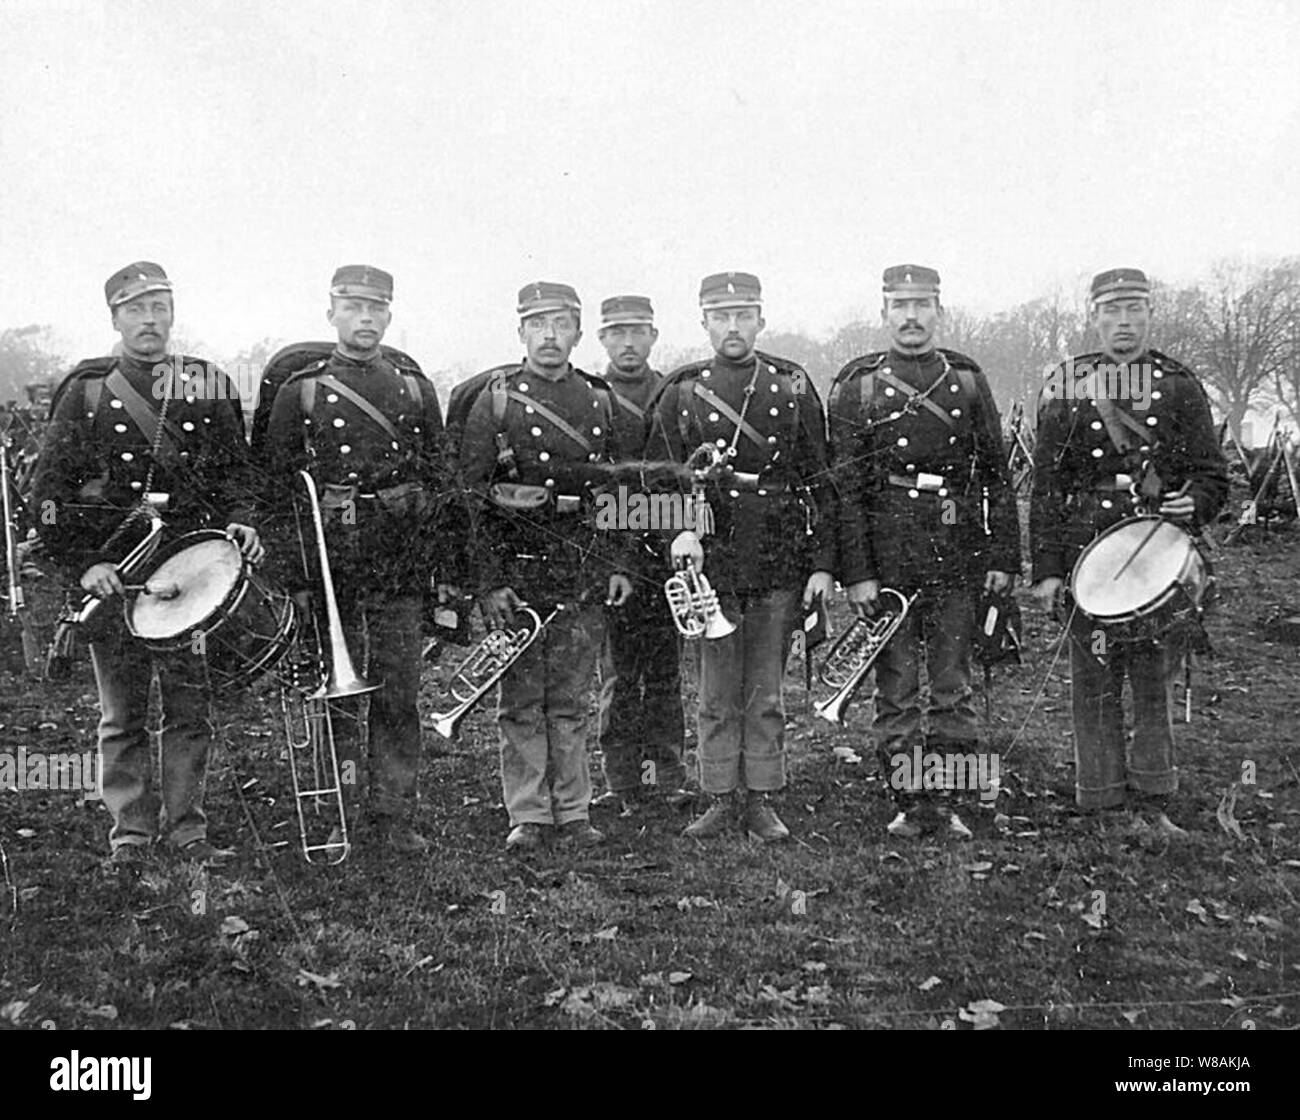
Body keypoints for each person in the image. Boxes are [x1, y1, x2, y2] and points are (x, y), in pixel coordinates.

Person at [32, 261, 263, 869]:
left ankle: (188, 828)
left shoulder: (206, 383)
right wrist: (84, 567)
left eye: (159, 308)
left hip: (189, 575)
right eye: (136, 310)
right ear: (115, 318)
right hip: (117, 576)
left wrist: (241, 516)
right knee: (123, 713)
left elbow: (238, 472)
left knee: (189, 708)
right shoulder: (86, 391)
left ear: (172, 314)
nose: (150, 321)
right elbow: (49, 497)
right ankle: (131, 833)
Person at [1030, 267, 1228, 835]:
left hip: (1157, 551)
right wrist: (1046, 571)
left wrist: (1197, 503)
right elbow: (1045, 485)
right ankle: (1099, 799)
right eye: (1112, 312)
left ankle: (1152, 800)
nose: (1123, 322)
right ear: (1094, 317)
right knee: (1092, 681)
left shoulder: (1180, 385)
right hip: (1086, 550)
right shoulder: (1069, 385)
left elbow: (1212, 475)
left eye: (1134, 310)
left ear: (1149, 314)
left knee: (1151, 678)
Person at [827, 265, 1019, 839]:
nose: (911, 316)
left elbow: (996, 477)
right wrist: (857, 573)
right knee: (898, 687)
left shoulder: (965, 380)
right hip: (888, 559)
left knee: (953, 685)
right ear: (883, 312)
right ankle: (909, 801)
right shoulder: (858, 385)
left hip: (957, 555)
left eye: (922, 304)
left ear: (940, 310)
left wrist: (1002, 558)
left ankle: (946, 802)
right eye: (899, 305)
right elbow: (846, 490)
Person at [260, 265, 446, 853]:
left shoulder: (414, 390)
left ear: (389, 316)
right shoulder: (302, 391)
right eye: (353, 308)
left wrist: (436, 570)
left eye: (376, 309)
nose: (365, 319)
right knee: (337, 694)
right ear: (332, 314)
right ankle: (338, 807)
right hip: (329, 561)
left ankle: (392, 813)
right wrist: (294, 579)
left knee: (397, 692)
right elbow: (276, 493)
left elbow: (440, 484)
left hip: (398, 559)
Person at [645, 271, 836, 842]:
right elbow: (659, 482)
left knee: (766, 690)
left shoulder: (793, 385)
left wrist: (822, 563)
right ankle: (719, 795)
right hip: (713, 559)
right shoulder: (681, 391)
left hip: (778, 549)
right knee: (716, 688)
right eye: (720, 316)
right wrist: (679, 532)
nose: (733, 326)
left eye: (743, 315)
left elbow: (821, 479)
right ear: (703, 322)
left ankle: (762, 798)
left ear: (761, 319)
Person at [458, 282, 633, 851]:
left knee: (572, 698)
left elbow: (617, 492)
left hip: (580, 566)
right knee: (521, 701)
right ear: (521, 333)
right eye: (538, 324)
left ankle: (575, 809)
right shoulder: (496, 401)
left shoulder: (600, 401)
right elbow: (472, 500)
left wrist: (616, 563)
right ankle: (529, 813)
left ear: (579, 332)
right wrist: (489, 582)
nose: (550, 335)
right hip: (518, 571)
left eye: (561, 323)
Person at [591, 295, 688, 814]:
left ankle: (668, 775)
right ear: (602, 339)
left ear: (654, 336)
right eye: (617, 333)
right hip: (614, 558)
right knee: (620, 675)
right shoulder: (590, 397)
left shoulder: (674, 393)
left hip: (667, 553)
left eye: (638, 332)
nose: (628, 343)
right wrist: (613, 558)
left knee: (667, 672)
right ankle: (621, 780)